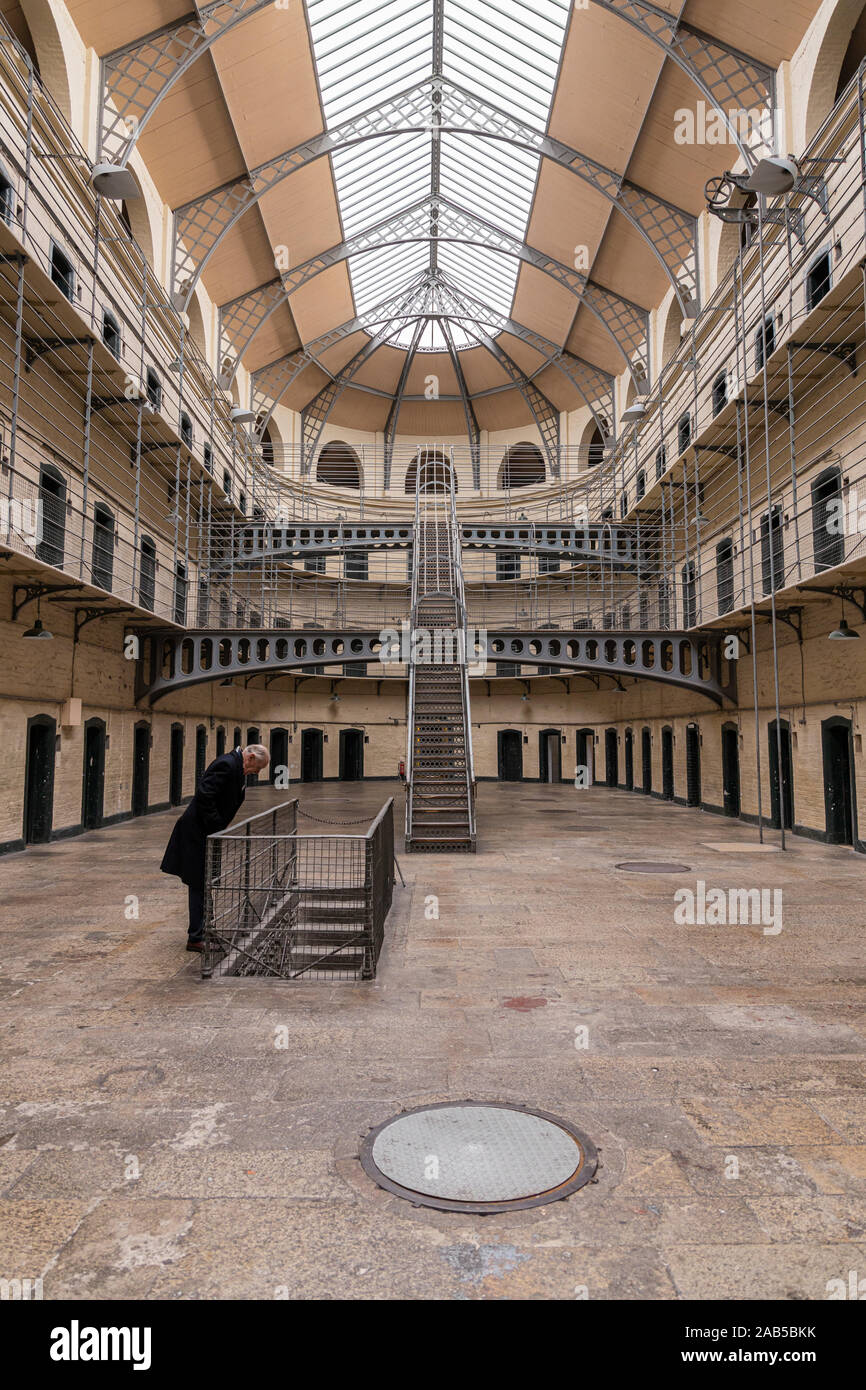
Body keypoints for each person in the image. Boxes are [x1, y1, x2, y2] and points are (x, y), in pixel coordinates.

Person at [160, 743, 269, 951]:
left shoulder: (235, 767)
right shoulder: (227, 765)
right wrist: (217, 824)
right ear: (252, 757)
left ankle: (205, 930)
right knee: (199, 884)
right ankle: (196, 937)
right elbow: (204, 796)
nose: (257, 772)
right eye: (258, 768)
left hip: (206, 833)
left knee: (205, 883)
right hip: (197, 833)